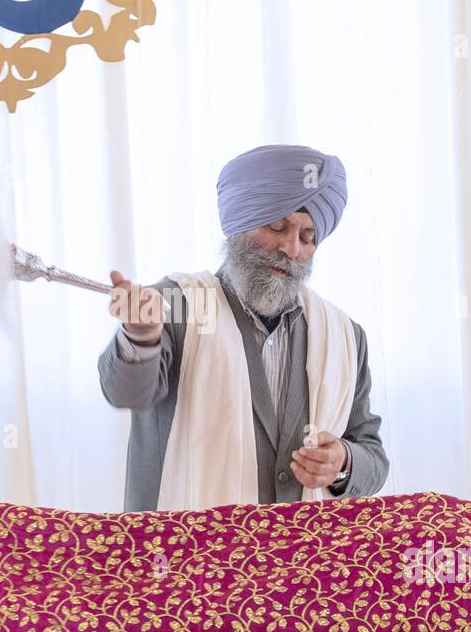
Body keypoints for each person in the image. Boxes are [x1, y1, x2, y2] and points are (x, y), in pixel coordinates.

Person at [97, 143, 388, 510]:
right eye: (277, 226)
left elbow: (372, 455)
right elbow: (125, 394)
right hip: (181, 558)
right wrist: (140, 335)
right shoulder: (173, 304)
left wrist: (343, 462)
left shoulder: (344, 336)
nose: (290, 248)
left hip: (299, 559)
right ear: (239, 224)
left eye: (307, 237)